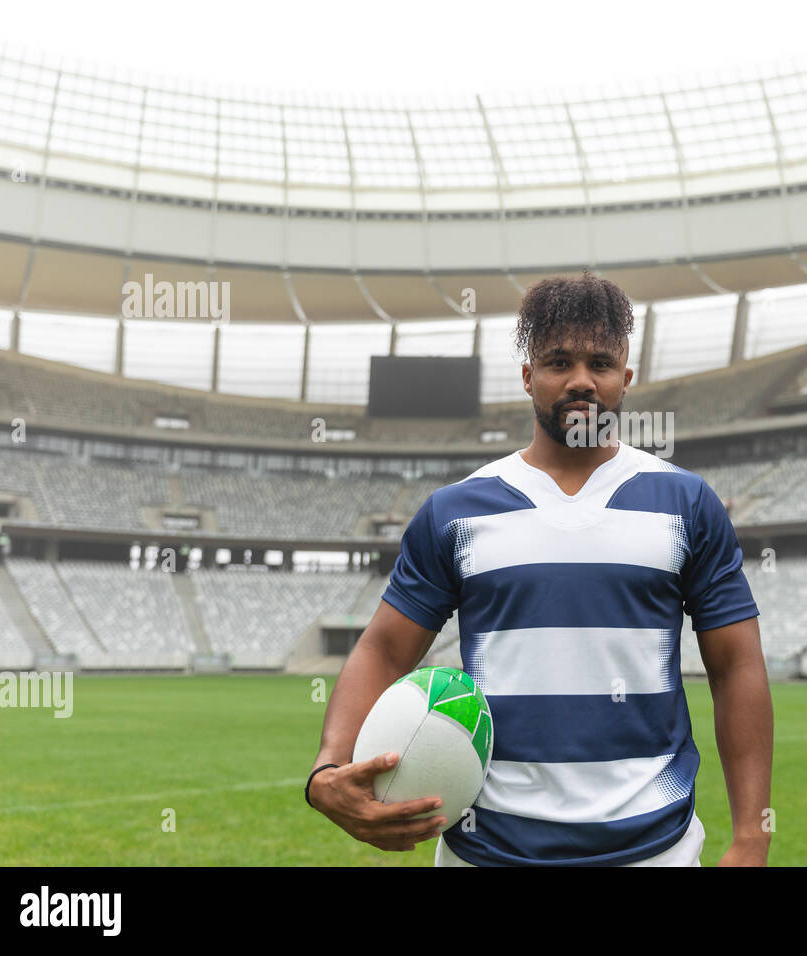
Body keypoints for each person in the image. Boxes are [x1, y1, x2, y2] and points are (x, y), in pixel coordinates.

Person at [307, 271, 773, 866]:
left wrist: (752, 836)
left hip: (654, 851)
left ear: (625, 379)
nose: (581, 379)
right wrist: (328, 767)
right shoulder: (456, 511)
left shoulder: (686, 503)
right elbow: (385, 649)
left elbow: (736, 666)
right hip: (486, 851)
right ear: (529, 377)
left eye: (600, 363)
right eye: (558, 362)